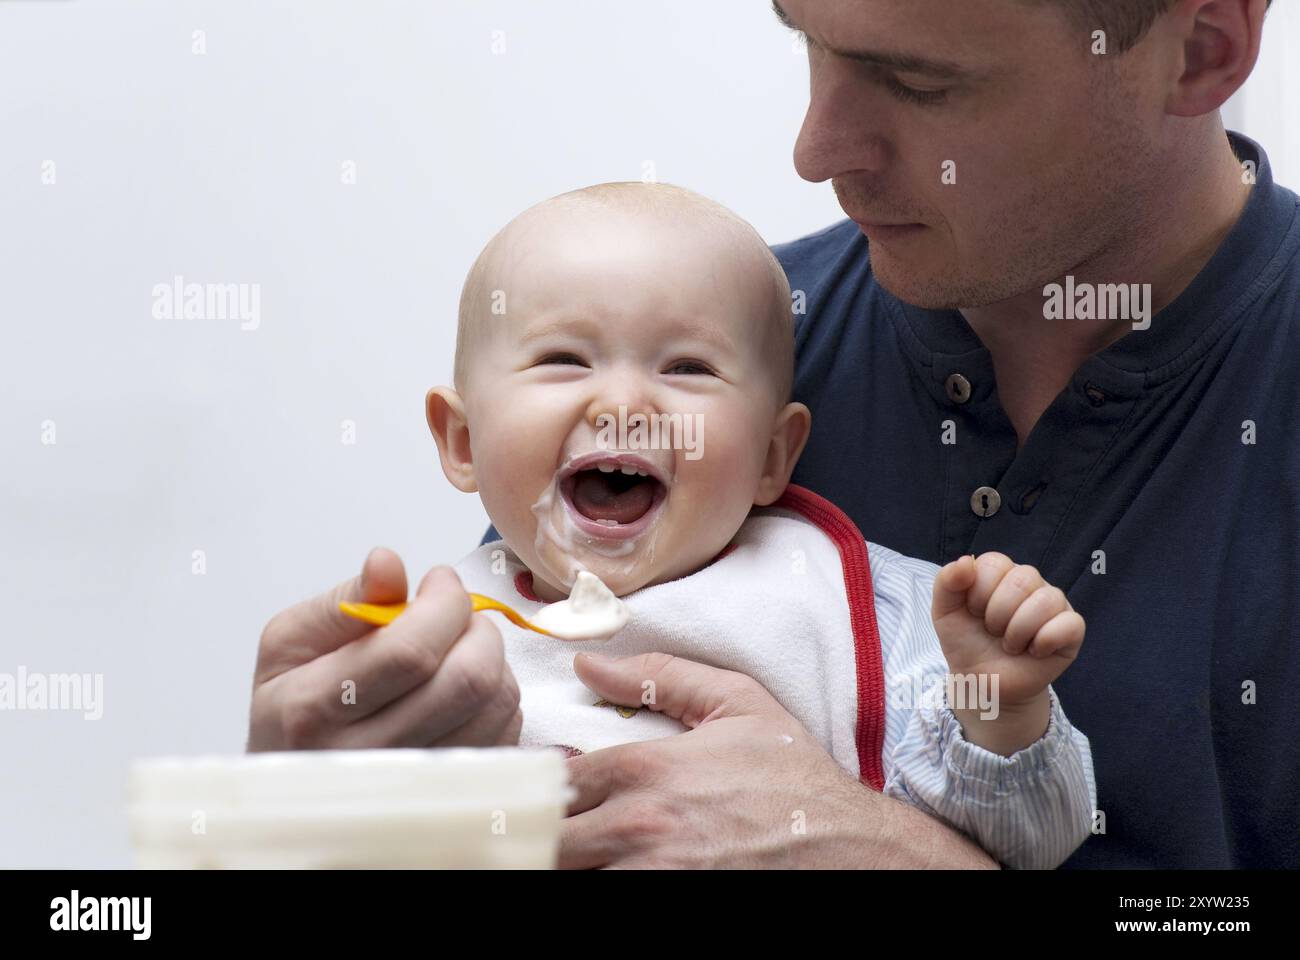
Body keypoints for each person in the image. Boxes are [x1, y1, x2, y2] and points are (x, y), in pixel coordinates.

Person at [251, 0, 1296, 867]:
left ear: (1201, 49)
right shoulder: (717, 353)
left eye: (922, 84)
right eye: (808, 40)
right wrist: (293, 822)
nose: (814, 151)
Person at [425, 181, 1095, 869]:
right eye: (563, 360)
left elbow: (1033, 842)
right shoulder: (436, 636)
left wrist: (1000, 710)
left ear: (774, 455)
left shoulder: (866, 606)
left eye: (688, 368)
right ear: (463, 441)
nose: (624, 403)